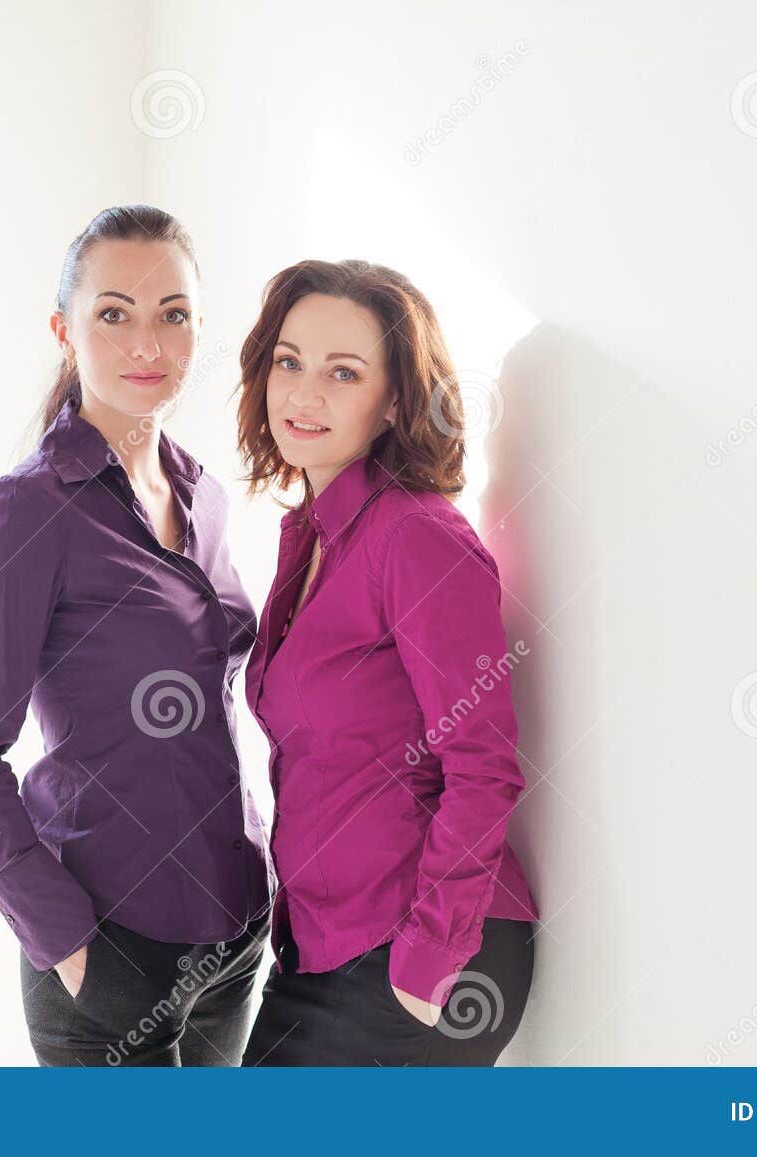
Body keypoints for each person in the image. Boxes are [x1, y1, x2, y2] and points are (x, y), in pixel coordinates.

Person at [0, 205, 271, 1066]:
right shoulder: (29, 510)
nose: (146, 343)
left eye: (173, 314)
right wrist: (67, 941)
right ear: (64, 331)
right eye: (113, 313)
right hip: (113, 944)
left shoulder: (206, 496)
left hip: (233, 932)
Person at [236, 259, 540, 1066]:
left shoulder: (414, 536)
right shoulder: (310, 537)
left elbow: (484, 763)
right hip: (318, 947)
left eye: (345, 372)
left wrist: (427, 960)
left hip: (420, 950)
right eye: (289, 361)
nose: (305, 393)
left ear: (396, 399)